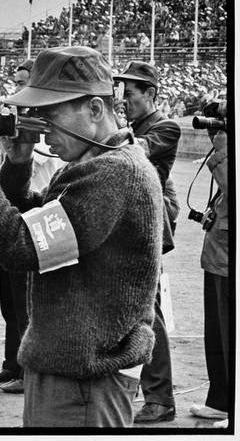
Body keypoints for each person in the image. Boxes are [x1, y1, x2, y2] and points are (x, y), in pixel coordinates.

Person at [0, 46, 162, 427]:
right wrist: (18, 165)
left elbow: (20, 246)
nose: (39, 124)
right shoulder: (100, 164)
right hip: (74, 369)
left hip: (84, 381)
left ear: (95, 110)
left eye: (49, 113)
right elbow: (34, 219)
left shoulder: (114, 172)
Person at [0, 59, 60, 395]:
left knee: (25, 299)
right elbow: (1, 169)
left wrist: (23, 137)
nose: (17, 89)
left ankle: (27, 371)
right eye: (15, 82)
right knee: (8, 300)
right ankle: (11, 363)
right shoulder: (9, 126)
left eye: (24, 83)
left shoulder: (46, 130)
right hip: (12, 215)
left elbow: (43, 162)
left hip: (37, 220)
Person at [115, 60, 181, 423]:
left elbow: (134, 150)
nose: (124, 98)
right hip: (127, 227)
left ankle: (161, 398)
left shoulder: (165, 127)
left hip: (146, 230)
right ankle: (144, 390)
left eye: (130, 92)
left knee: (149, 314)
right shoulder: (131, 125)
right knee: (130, 310)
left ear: (150, 94)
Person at [189, 109, 231, 428]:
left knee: (231, 335)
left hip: (230, 257)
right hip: (218, 253)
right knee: (216, 334)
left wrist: (224, 150)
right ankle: (220, 401)